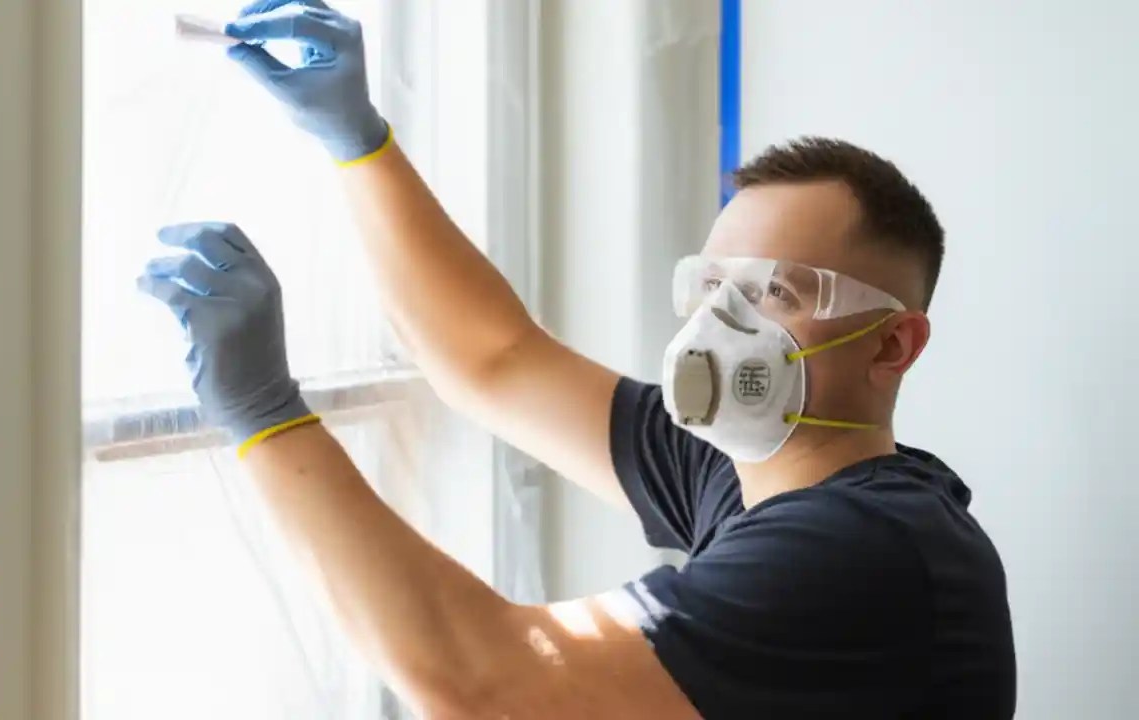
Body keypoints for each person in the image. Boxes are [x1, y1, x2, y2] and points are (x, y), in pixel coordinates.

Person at [137, 2, 1016, 717]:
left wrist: (265, 416)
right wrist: (360, 145)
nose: (721, 326)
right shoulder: (743, 477)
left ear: (892, 344)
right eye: (711, 286)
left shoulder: (866, 551)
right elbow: (495, 360)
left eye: (772, 294)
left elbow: (487, 683)